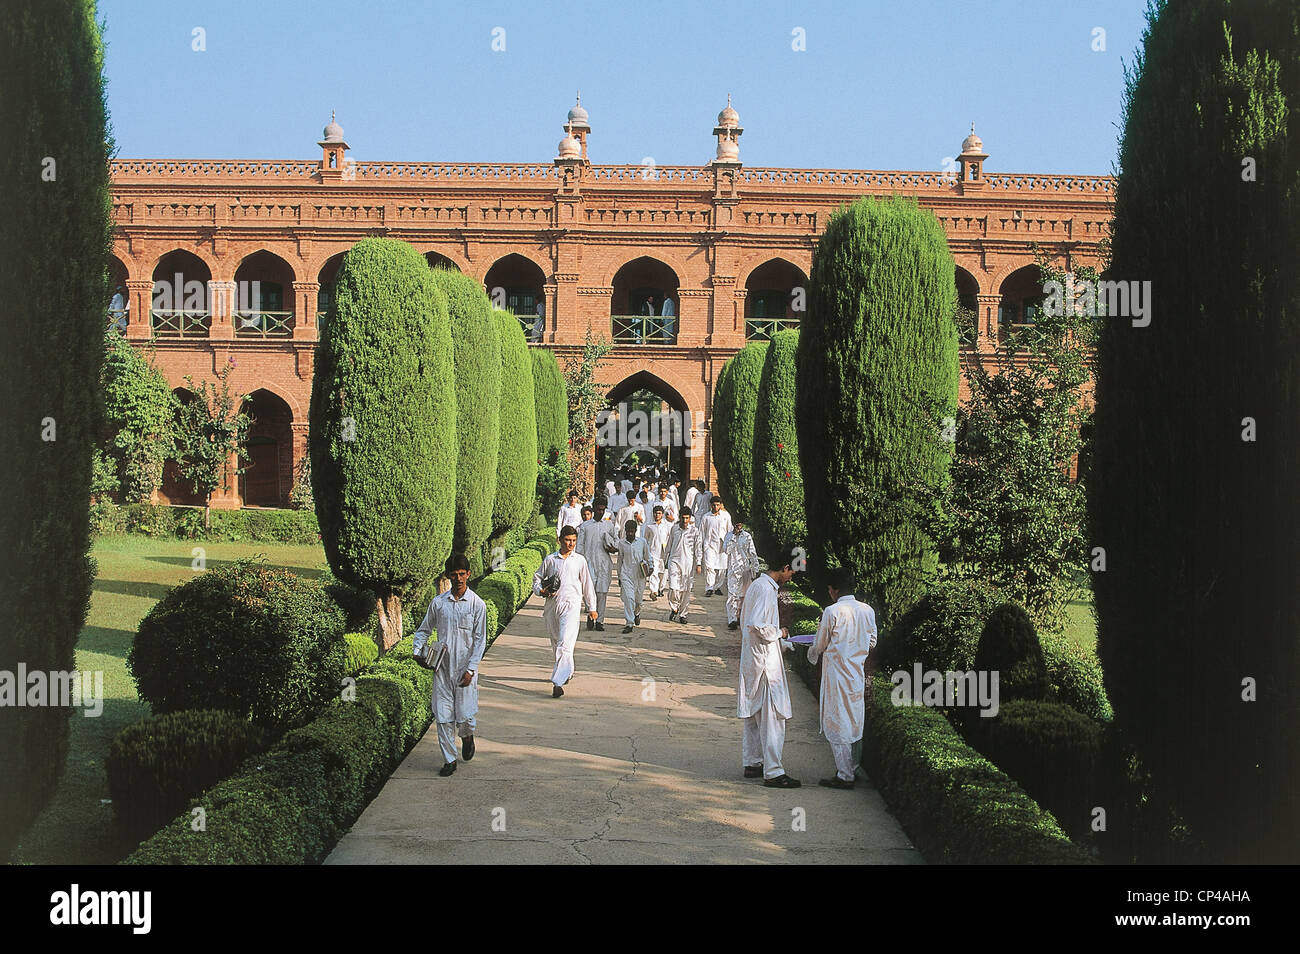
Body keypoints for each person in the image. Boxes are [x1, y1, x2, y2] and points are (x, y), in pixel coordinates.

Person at [412, 554, 488, 777]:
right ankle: (449, 760)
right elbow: (424, 630)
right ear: (447, 576)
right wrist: (418, 652)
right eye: (453, 575)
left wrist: (471, 669)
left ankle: (467, 736)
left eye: (462, 574)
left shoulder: (477, 605)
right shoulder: (439, 603)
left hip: (465, 669)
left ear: (469, 574)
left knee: (465, 715)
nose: (458, 579)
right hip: (442, 668)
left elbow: (479, 640)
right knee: (443, 714)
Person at [807, 567, 878, 789]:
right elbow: (872, 641)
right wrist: (856, 650)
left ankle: (844, 775)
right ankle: (851, 768)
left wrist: (813, 652)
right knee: (855, 720)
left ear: (835, 590)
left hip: (837, 674)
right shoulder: (867, 610)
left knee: (838, 723)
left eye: (829, 589)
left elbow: (819, 644)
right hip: (856, 672)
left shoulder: (832, 611)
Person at [738, 548, 800, 787]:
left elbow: (748, 622)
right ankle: (773, 771)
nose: (793, 574)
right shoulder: (765, 589)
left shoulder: (758, 586)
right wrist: (780, 633)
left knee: (755, 714)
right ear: (784, 567)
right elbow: (758, 626)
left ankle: (753, 762)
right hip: (764, 663)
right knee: (772, 716)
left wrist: (781, 642)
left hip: (755, 658)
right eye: (792, 570)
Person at [534, 526, 599, 698]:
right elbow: (537, 579)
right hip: (552, 607)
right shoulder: (550, 560)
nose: (571, 544)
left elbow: (587, 584)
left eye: (574, 541)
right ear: (560, 540)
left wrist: (592, 607)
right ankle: (567, 671)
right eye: (568, 540)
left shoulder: (580, 560)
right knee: (557, 642)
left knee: (565, 641)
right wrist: (541, 591)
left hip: (572, 605)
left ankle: (558, 681)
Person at [577, 498, 617, 631]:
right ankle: (591, 615)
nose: (600, 512)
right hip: (588, 562)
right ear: (593, 509)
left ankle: (600, 621)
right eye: (598, 509)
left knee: (602, 592)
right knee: (589, 592)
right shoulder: (585, 526)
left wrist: (613, 548)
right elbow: (580, 546)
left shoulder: (609, 525)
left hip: (604, 563)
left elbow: (617, 541)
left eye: (603, 509)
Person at [664, 510, 703, 624]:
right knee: (673, 588)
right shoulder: (674, 529)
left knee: (686, 590)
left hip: (688, 563)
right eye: (683, 518)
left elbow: (698, 548)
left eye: (687, 518)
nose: (685, 521)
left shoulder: (694, 531)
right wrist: (665, 559)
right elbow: (669, 544)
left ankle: (683, 614)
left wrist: (699, 563)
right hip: (674, 561)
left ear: (690, 518)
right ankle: (674, 607)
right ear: (680, 517)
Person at [722, 517, 759, 630]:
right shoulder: (728, 536)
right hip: (733, 570)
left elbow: (752, 553)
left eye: (739, 525)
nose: (738, 527)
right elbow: (726, 550)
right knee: (732, 594)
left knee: (744, 596)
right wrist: (733, 536)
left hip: (745, 570)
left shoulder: (747, 536)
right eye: (736, 525)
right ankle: (732, 619)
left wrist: (756, 568)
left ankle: (740, 617)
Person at [615, 519, 650, 633]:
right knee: (629, 598)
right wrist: (619, 576)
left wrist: (651, 567)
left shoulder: (642, 542)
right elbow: (620, 560)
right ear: (625, 531)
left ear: (635, 531)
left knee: (638, 600)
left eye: (632, 531)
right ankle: (629, 623)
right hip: (626, 574)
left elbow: (648, 557)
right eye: (628, 531)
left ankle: (637, 613)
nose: (630, 534)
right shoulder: (622, 543)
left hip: (639, 575)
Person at [700, 496, 733, 597]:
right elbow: (701, 532)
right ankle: (709, 588)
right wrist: (700, 545)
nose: (715, 507)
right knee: (709, 567)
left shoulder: (726, 516)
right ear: (711, 505)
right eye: (714, 505)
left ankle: (718, 587)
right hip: (710, 545)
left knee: (722, 568)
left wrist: (730, 543)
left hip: (722, 545)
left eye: (717, 505)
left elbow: (730, 530)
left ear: (720, 505)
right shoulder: (706, 517)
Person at [644, 504, 672, 600]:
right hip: (653, 553)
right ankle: (653, 591)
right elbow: (645, 540)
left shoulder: (667, 526)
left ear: (662, 514)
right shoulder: (649, 526)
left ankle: (660, 589)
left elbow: (670, 538)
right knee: (654, 573)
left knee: (662, 574)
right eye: (655, 513)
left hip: (664, 554)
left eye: (659, 513)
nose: (657, 515)